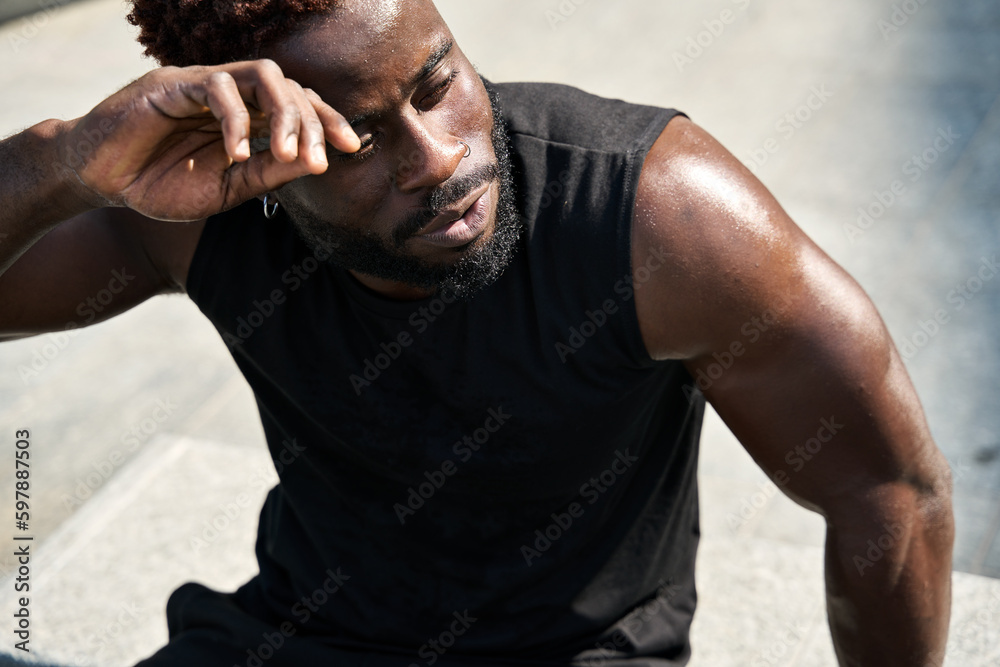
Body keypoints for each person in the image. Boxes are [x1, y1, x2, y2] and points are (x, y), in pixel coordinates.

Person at [0, 0, 954, 665]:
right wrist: (61, 161)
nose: (440, 157)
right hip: (298, 638)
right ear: (254, 155)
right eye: (360, 141)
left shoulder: (662, 216)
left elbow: (887, 488)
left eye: (435, 82)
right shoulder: (202, 212)